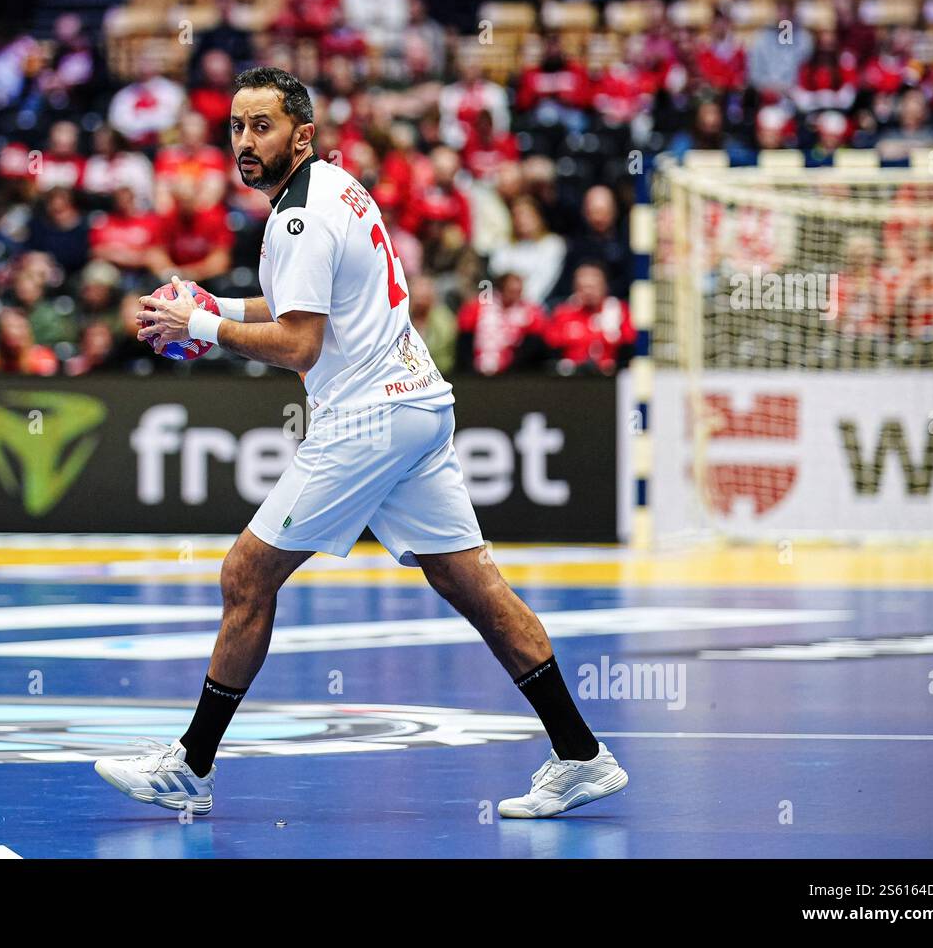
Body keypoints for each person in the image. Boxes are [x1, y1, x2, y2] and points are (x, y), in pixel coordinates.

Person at [96, 66, 628, 819]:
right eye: (238, 127)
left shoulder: (297, 218)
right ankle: (581, 753)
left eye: (263, 127)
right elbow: (301, 302)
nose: (245, 142)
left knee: (247, 575)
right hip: (417, 405)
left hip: (366, 420)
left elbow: (299, 343)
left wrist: (203, 328)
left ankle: (190, 766)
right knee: (472, 584)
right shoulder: (334, 189)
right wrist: (215, 301)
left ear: (301, 135)